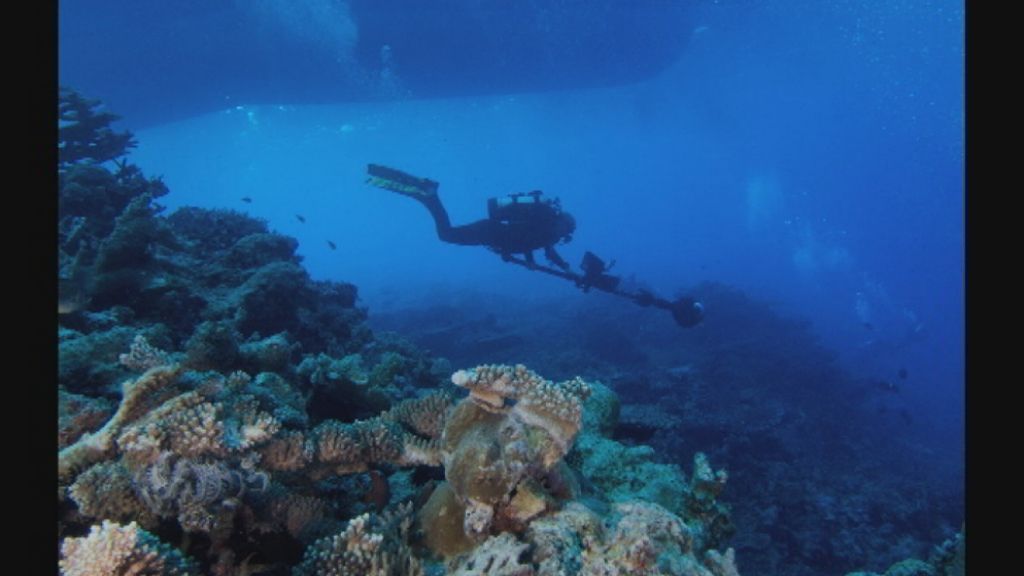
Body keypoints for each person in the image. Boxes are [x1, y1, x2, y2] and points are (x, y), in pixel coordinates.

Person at [367, 164, 576, 270]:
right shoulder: (547, 231)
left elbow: (533, 243)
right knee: (446, 235)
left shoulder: (547, 230)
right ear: (563, 224)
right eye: (565, 230)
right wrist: (535, 261)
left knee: (447, 234)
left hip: (490, 232)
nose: (562, 235)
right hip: (489, 232)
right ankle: (430, 196)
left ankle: (428, 197)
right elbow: (533, 242)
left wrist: (528, 258)